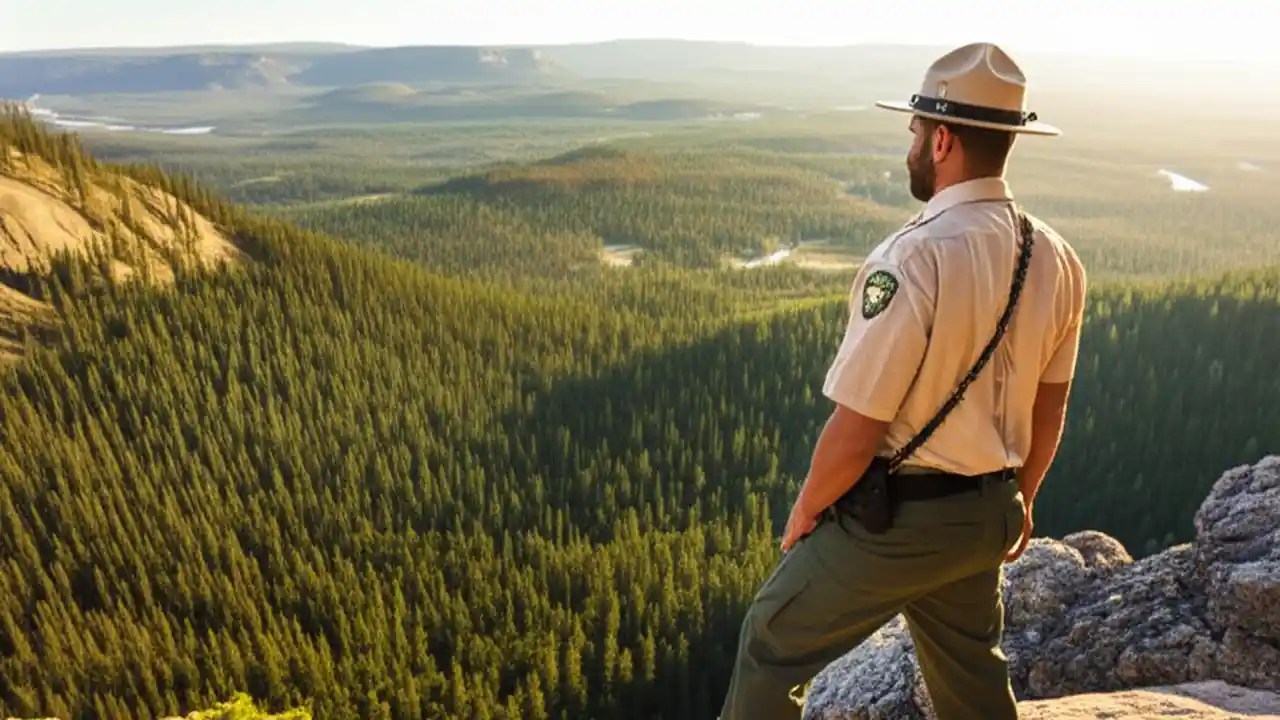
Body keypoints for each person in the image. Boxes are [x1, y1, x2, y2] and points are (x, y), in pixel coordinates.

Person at [718, 42, 1087, 720]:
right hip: (989, 512)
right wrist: (1021, 500)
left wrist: (806, 513)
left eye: (915, 131)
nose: (911, 145)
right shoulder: (1057, 256)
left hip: (902, 523)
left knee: (770, 642)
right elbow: (1051, 402)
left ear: (942, 139)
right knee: (970, 673)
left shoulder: (913, 256)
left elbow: (857, 428)